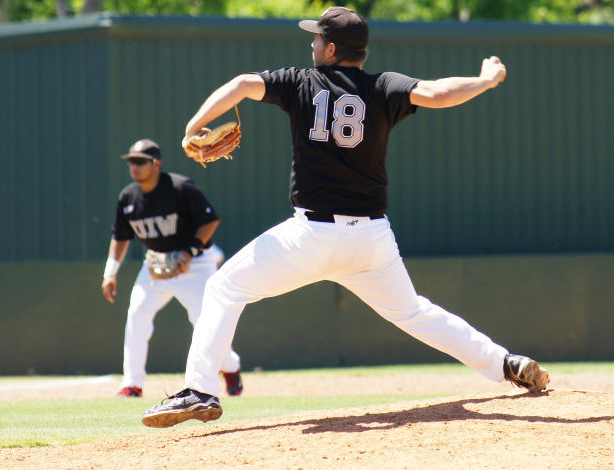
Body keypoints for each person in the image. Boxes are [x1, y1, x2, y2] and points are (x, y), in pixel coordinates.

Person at [142, 7, 549, 427]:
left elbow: (243, 84)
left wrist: (193, 125)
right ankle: (505, 363)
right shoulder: (382, 86)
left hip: (311, 236)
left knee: (224, 289)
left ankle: (200, 391)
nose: (312, 44)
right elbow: (439, 94)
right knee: (415, 313)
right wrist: (485, 80)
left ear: (332, 48)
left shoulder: (302, 82)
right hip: (372, 240)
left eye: (317, 39)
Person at [101, 138, 243, 398]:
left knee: (205, 322)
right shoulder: (128, 197)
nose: (134, 166)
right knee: (137, 315)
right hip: (155, 264)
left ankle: (230, 367)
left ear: (156, 164)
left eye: (141, 161)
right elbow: (120, 236)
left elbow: (210, 220)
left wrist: (190, 250)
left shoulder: (180, 188)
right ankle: (132, 384)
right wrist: (110, 272)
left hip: (194, 263)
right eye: (131, 161)